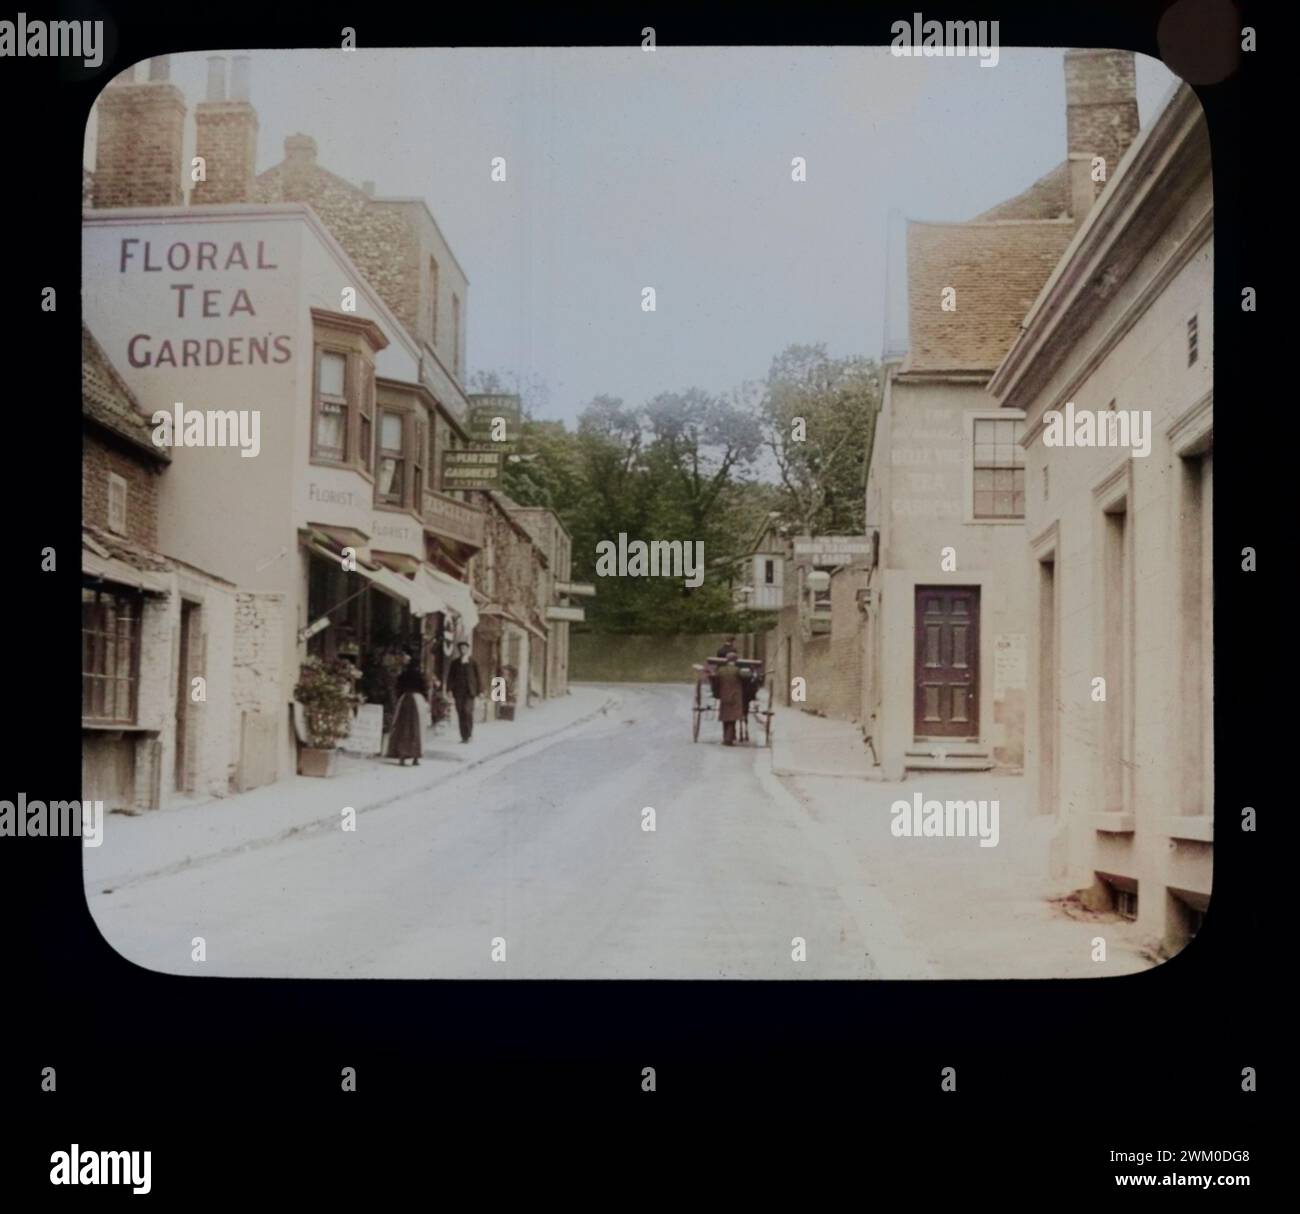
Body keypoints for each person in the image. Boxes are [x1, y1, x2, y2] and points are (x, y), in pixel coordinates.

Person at [385, 648, 427, 766]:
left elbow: (398, 688)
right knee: (416, 728)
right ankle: (415, 757)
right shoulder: (419, 675)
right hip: (417, 701)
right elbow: (424, 688)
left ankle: (402, 756)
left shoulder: (403, 674)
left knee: (402, 727)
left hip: (405, 701)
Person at [446, 640, 481, 743]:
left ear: (467, 649)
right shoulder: (455, 663)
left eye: (465, 648)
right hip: (458, 692)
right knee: (461, 712)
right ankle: (463, 736)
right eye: (461, 648)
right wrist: (449, 690)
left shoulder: (473, 662)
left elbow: (478, 677)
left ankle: (469, 734)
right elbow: (450, 677)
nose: (463, 650)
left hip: (470, 692)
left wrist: (480, 691)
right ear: (459, 650)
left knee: (467, 712)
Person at [715, 649, 745, 746]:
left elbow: (715, 679)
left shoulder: (721, 670)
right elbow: (747, 676)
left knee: (725, 717)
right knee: (732, 717)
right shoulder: (737, 670)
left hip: (724, 696)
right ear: (735, 660)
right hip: (735, 696)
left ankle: (726, 737)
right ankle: (728, 739)